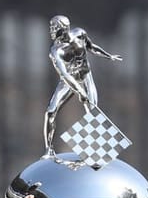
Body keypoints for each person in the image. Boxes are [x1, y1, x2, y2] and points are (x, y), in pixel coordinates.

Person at [42, 14, 122, 154]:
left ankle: (97, 150)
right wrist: (80, 91)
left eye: (54, 27)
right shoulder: (56, 51)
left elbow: (91, 47)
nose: (51, 31)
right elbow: (65, 75)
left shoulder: (79, 33)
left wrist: (109, 56)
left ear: (63, 28)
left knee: (92, 111)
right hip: (68, 81)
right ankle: (49, 150)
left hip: (85, 76)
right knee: (50, 112)